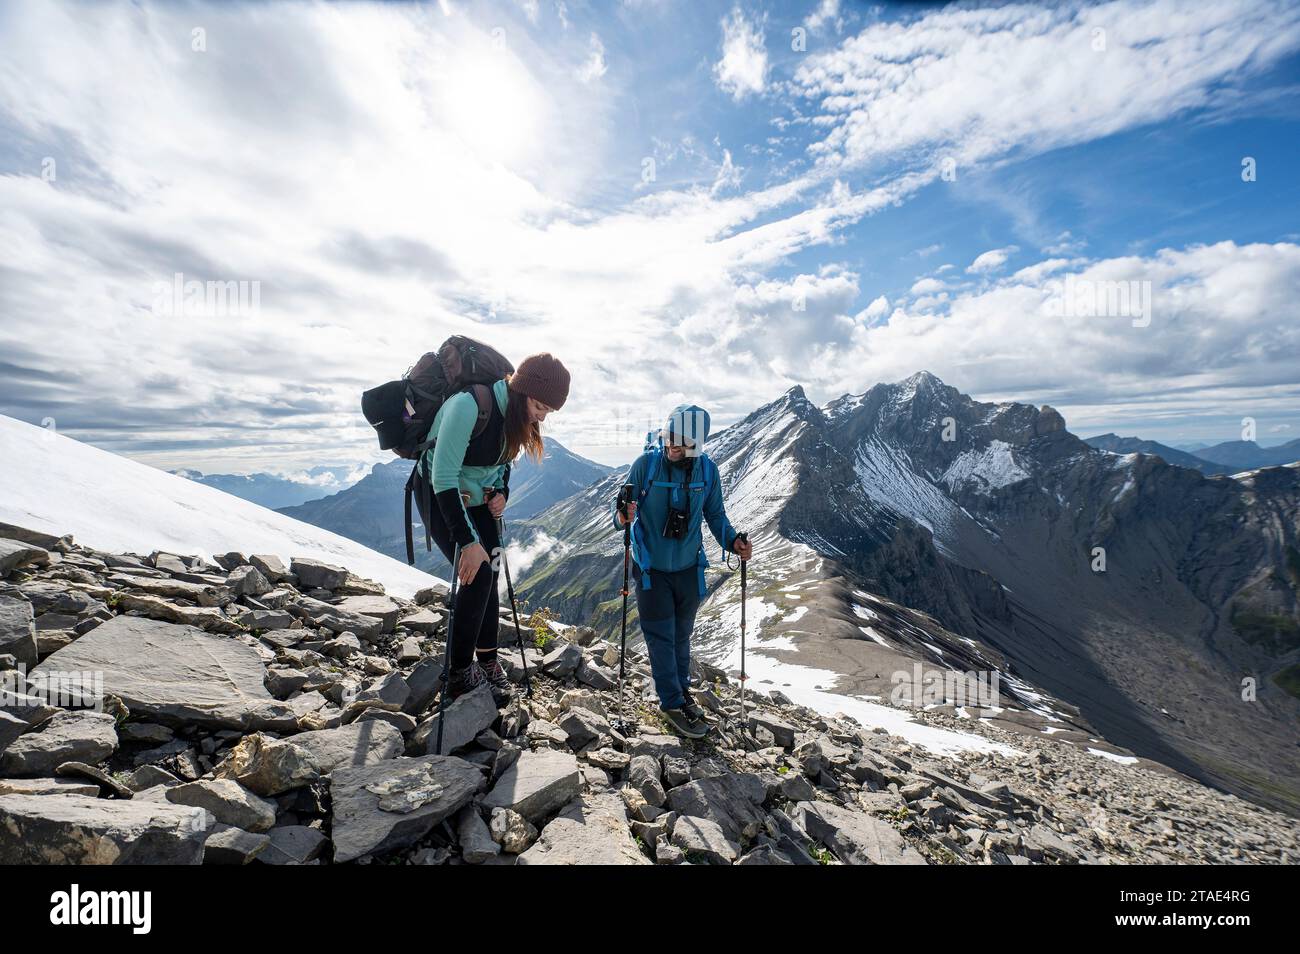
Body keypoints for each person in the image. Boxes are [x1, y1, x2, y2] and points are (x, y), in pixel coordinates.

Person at [415, 352, 570, 704]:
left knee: (494, 568)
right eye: (539, 406)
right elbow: (442, 477)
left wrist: (502, 493)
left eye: (548, 411)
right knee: (479, 574)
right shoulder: (469, 406)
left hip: (480, 498)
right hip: (442, 494)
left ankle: (486, 659)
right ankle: (457, 673)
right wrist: (467, 541)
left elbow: (503, 463)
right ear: (521, 391)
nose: (541, 416)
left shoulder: (515, 416)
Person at [612, 404, 754, 738]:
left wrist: (733, 541)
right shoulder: (645, 466)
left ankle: (680, 693)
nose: (672, 446)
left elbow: (715, 515)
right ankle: (672, 702)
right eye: (669, 437)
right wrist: (624, 515)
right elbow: (619, 517)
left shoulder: (707, 471)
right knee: (661, 636)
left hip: (689, 570)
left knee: (681, 636)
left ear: (698, 445)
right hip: (650, 571)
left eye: (682, 442)